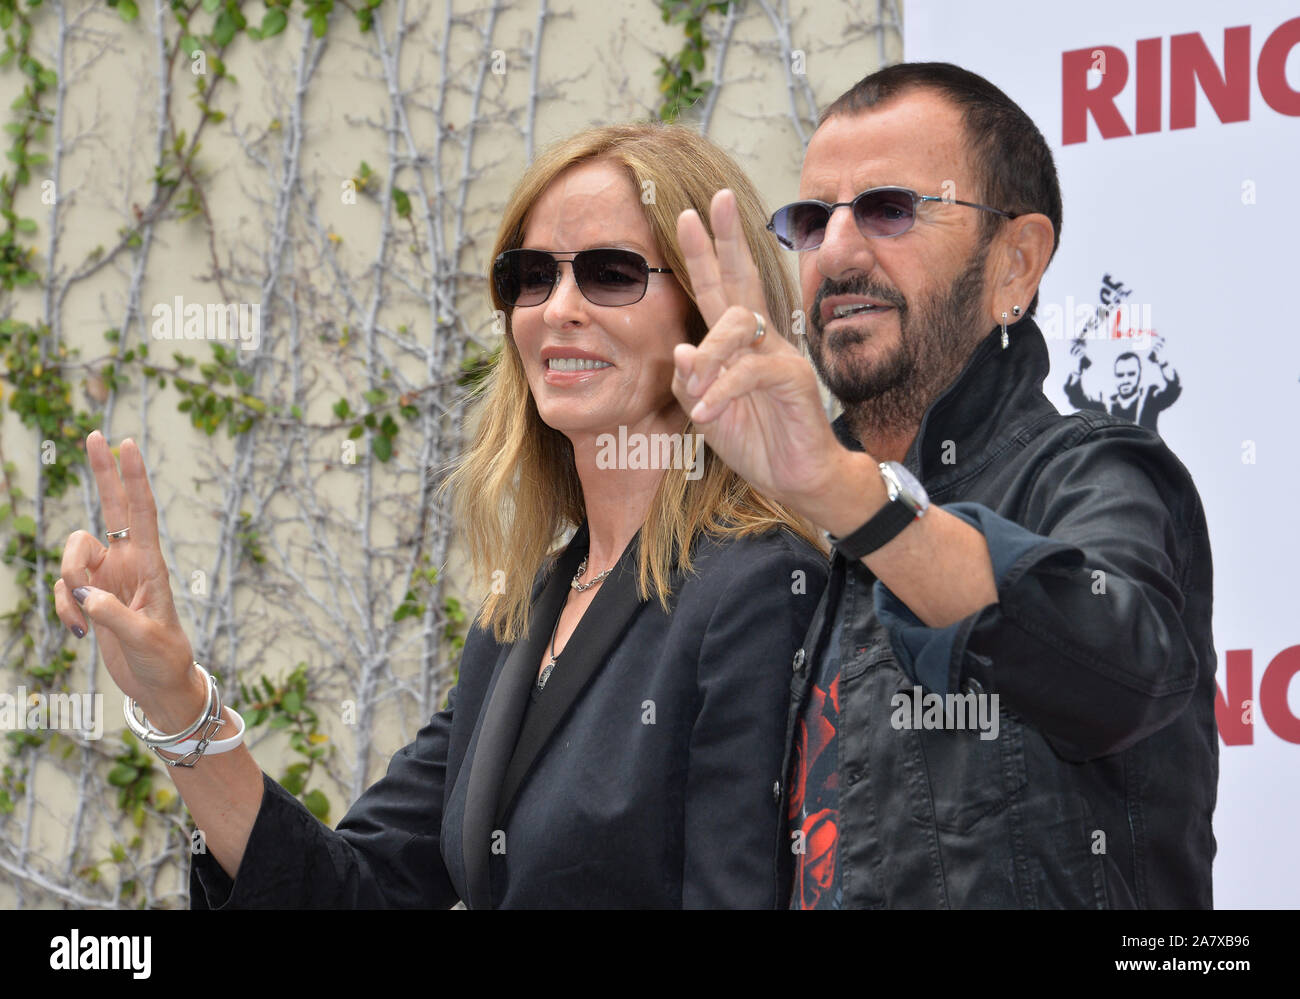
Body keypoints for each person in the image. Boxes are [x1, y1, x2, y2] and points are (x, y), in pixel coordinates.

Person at [53, 122, 829, 908]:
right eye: (530, 276)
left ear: (708, 310)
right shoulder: (523, 615)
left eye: (610, 273)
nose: (557, 308)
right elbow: (354, 892)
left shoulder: (759, 585)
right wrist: (175, 698)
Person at [670, 62, 1217, 908]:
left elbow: (1122, 672)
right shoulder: (800, 539)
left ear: (1016, 263)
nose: (840, 252)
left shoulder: (1097, 468)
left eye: (890, 210)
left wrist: (847, 493)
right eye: (813, 220)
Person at [1065, 336, 1182, 431]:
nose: (1126, 380)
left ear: (1139, 374)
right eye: (1121, 375)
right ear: (1115, 376)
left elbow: (1173, 388)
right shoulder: (1104, 406)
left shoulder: (1150, 399)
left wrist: (1163, 363)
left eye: (1131, 374)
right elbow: (1076, 398)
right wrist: (1077, 369)